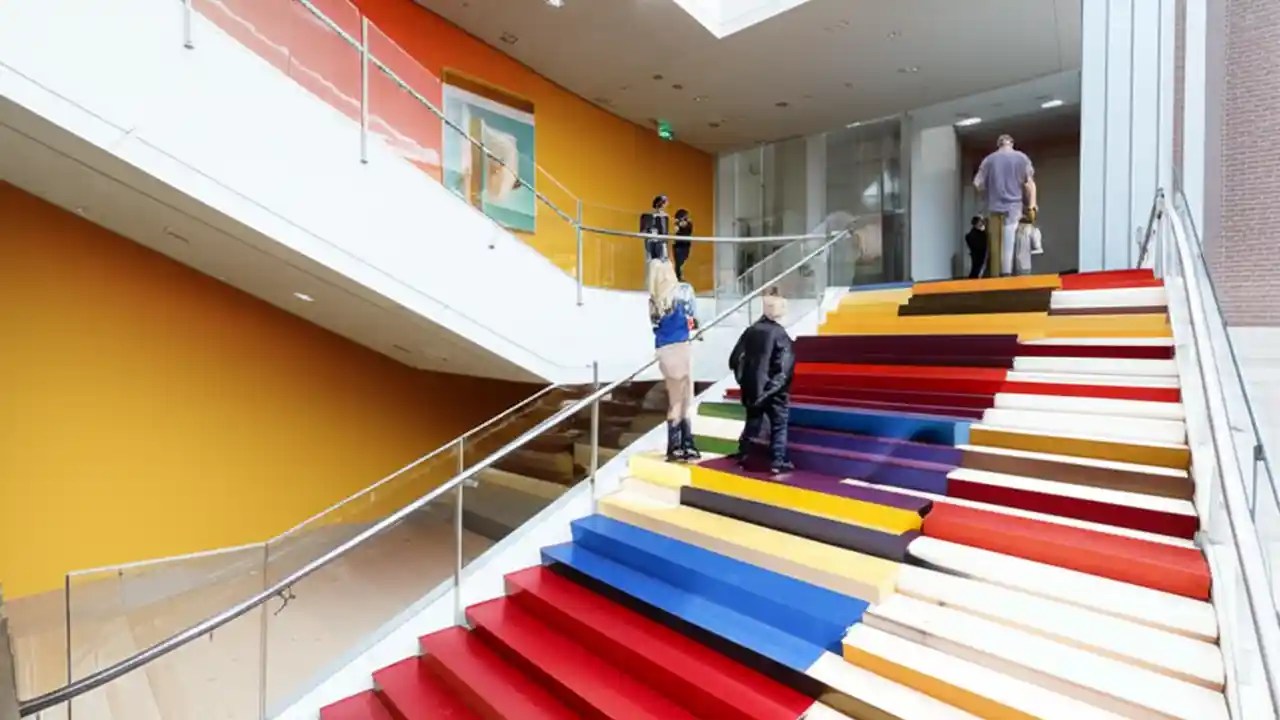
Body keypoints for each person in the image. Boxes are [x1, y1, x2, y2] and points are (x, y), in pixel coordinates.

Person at [729, 289, 795, 474]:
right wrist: (771, 390)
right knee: (779, 424)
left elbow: (734, 359)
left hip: (751, 388)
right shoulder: (781, 335)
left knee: (752, 421)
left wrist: (744, 380)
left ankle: (745, 455)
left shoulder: (750, 331)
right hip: (772, 391)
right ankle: (777, 460)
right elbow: (784, 368)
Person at [648, 259, 700, 462]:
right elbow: (693, 319)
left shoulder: (654, 299)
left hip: (664, 350)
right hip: (680, 347)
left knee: (676, 399)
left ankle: (676, 445)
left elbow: (656, 327)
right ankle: (684, 443)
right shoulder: (683, 291)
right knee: (686, 398)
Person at [973, 134, 1037, 277]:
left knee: (995, 249)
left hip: (994, 209)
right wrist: (1032, 206)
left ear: (998, 144)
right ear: (1012, 143)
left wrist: (988, 193)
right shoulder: (1022, 158)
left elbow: (977, 184)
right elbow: (1029, 185)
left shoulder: (988, 160)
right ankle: (1013, 275)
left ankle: (998, 277)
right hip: (1014, 208)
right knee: (1013, 244)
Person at [640, 195, 671, 262]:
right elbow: (643, 230)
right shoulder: (647, 215)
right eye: (663, 203)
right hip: (651, 240)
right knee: (651, 260)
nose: (663, 206)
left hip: (661, 241)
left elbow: (665, 231)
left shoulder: (665, 216)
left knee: (662, 260)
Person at [673, 209, 694, 281]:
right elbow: (676, 230)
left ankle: (680, 277)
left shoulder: (689, 224)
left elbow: (687, 227)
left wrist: (682, 222)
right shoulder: (677, 224)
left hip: (686, 245)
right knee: (678, 264)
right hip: (678, 246)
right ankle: (678, 278)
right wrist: (678, 223)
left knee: (683, 261)